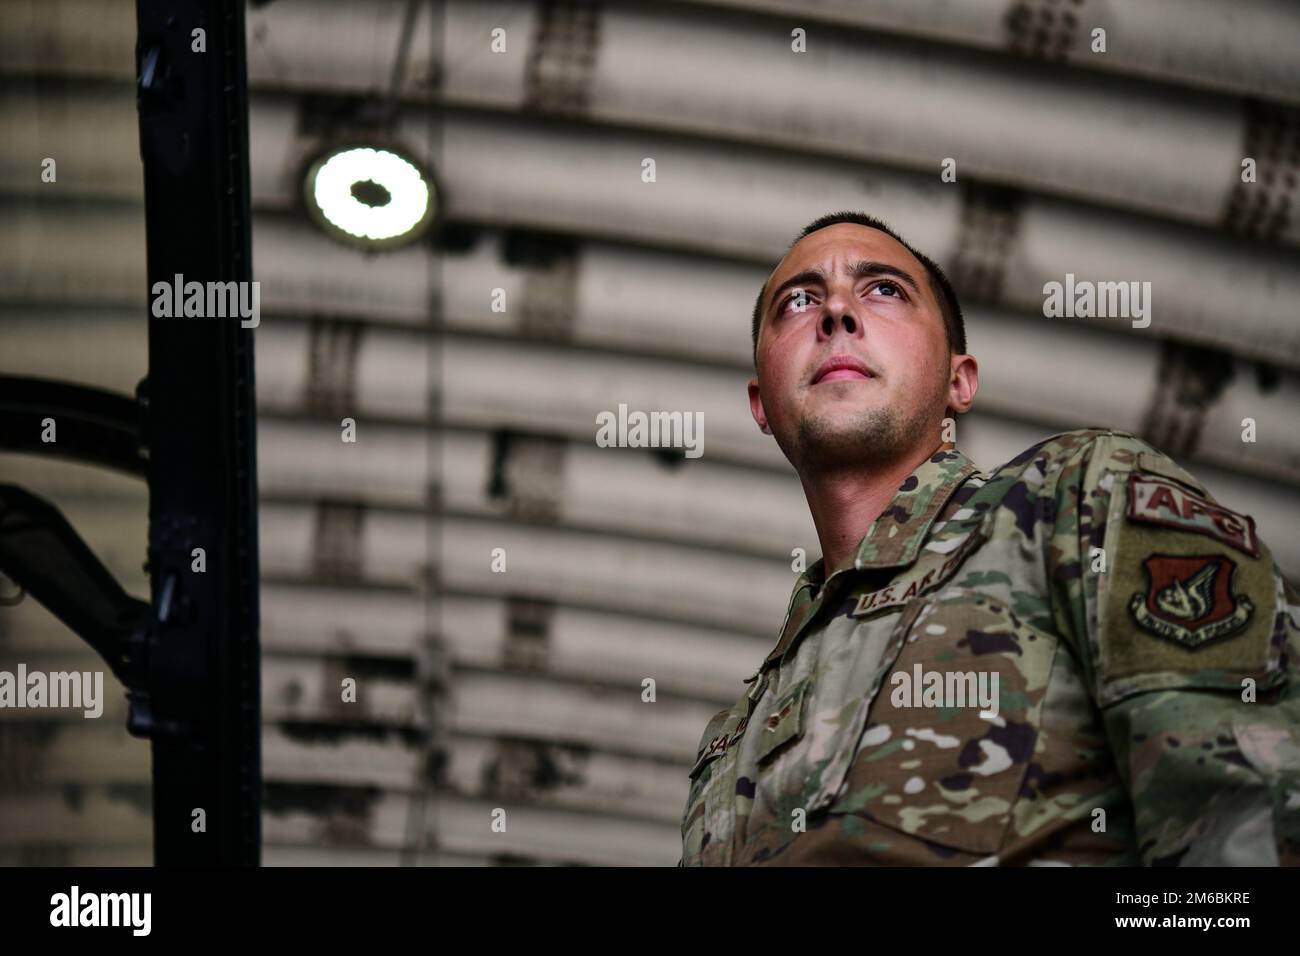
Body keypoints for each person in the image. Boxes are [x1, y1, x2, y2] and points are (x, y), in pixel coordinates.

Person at [678, 211, 1300, 866]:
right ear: (761, 405)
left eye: (884, 289)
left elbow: (1257, 814)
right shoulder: (730, 738)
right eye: (797, 301)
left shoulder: (1074, 500)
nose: (835, 312)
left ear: (959, 380)